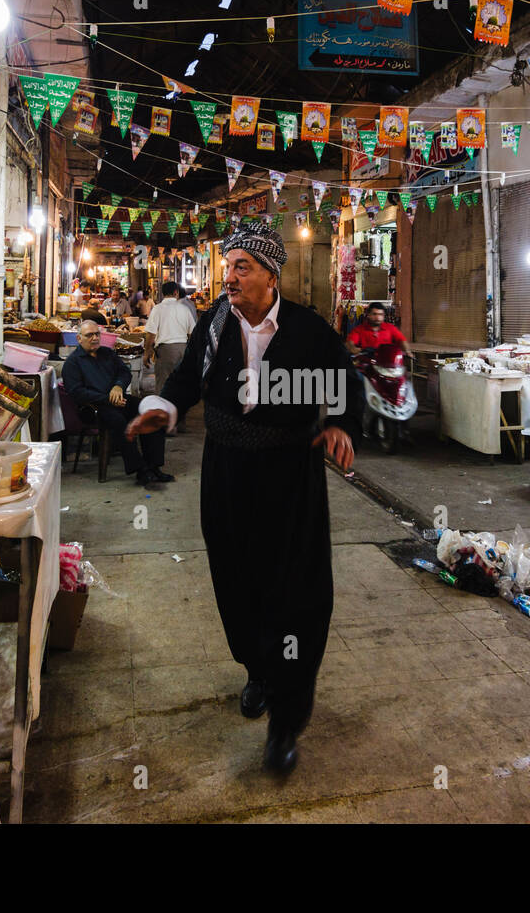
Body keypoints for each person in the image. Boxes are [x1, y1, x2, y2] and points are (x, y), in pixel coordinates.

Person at [128, 222, 362, 774]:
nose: (229, 277)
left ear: (270, 275)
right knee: (237, 580)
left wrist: (342, 428)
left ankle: (285, 720)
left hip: (290, 476)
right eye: (227, 266)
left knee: (297, 593)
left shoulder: (307, 329)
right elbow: (187, 381)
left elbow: (344, 383)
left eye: (242, 268)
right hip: (227, 471)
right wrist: (166, 407)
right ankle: (258, 668)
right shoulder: (213, 325)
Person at [62, 320, 172, 487]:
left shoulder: (107, 353)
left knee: (150, 410)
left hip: (117, 399)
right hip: (93, 407)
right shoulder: (72, 363)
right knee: (117, 421)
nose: (94, 338)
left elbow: (124, 372)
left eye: (97, 334)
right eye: (89, 335)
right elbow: (77, 392)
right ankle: (140, 469)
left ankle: (154, 466)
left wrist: (118, 386)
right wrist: (108, 398)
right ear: (79, 338)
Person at [143, 280, 196, 429]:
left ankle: (167, 426)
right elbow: (193, 333)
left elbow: (151, 334)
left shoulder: (158, 309)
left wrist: (147, 352)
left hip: (166, 350)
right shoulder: (184, 309)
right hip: (183, 349)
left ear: (162, 293)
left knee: (164, 386)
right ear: (176, 293)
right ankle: (180, 423)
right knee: (182, 386)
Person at [345, 301, 412, 359]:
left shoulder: (390, 328)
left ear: (384, 316)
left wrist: (407, 351)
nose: (378, 317)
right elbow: (350, 343)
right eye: (374, 314)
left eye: (381, 314)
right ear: (368, 315)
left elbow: (402, 340)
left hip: (387, 363)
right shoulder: (359, 330)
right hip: (367, 364)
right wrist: (356, 350)